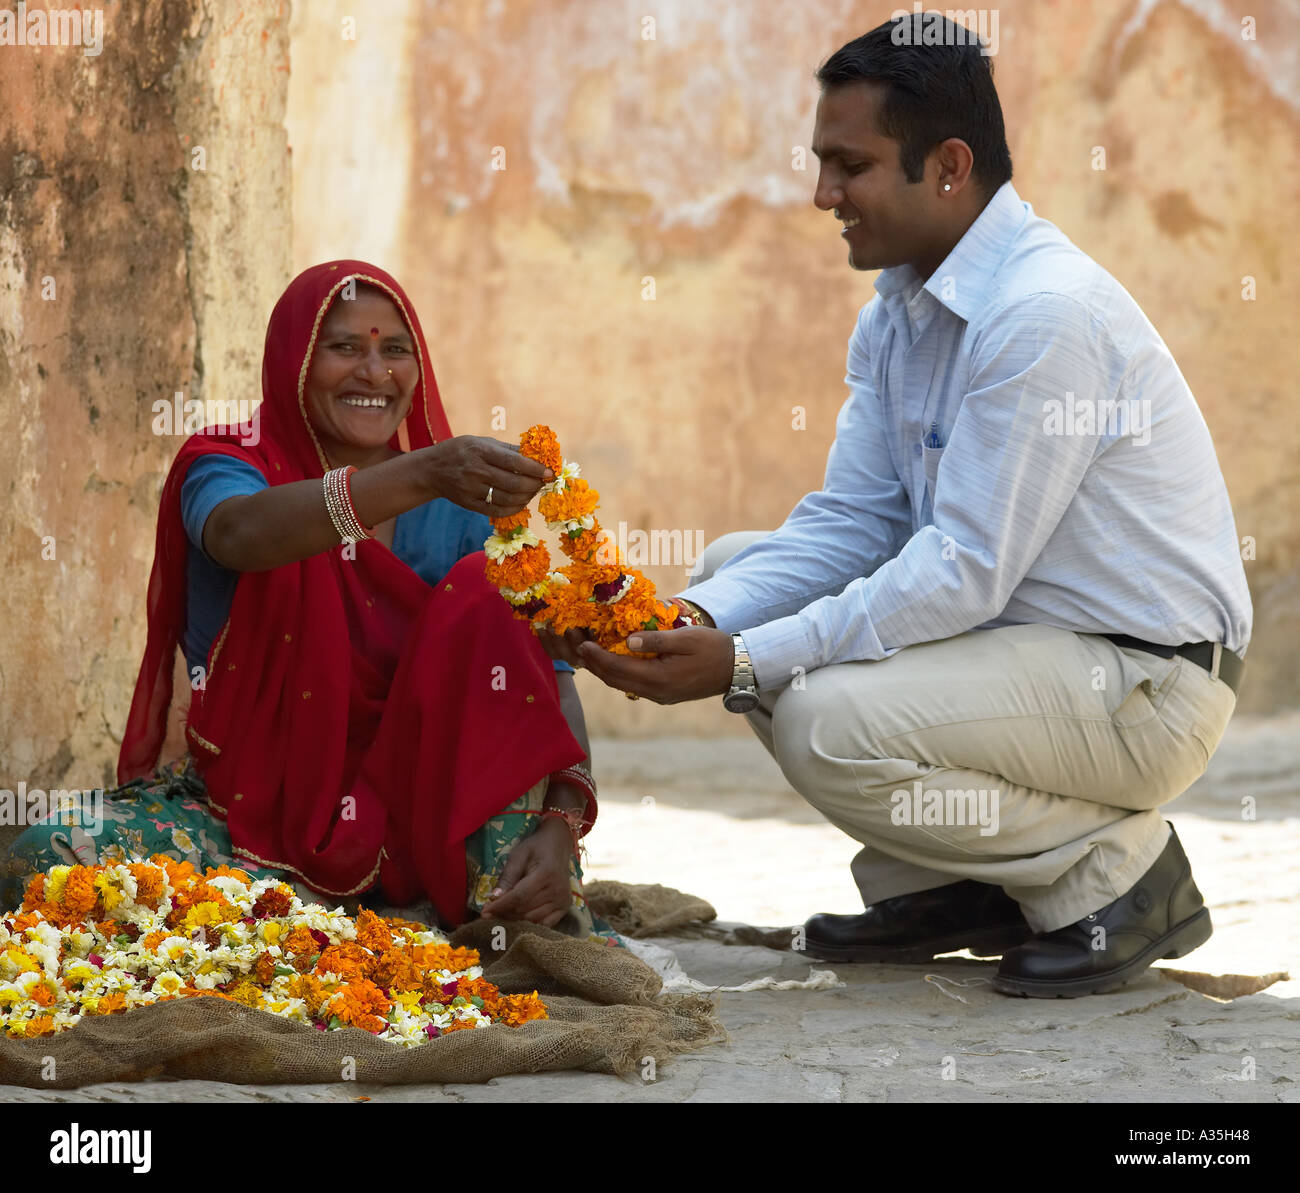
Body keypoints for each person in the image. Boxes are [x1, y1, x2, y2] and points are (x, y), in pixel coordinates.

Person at [550, 19, 1252, 996]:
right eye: (821, 163)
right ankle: (963, 881)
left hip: (1142, 687)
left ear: (949, 167)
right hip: (1028, 656)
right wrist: (695, 623)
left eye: (851, 165)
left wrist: (745, 661)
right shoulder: (899, 308)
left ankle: (1120, 876)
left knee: (823, 718)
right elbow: (856, 523)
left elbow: (962, 570)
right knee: (725, 575)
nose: (822, 194)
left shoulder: (1039, 313)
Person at [4, 260, 615, 941]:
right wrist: (424, 469)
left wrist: (562, 824)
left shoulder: (459, 508)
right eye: (345, 347)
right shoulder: (230, 465)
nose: (374, 373)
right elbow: (240, 534)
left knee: (536, 915)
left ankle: (371, 916)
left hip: (423, 813)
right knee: (49, 857)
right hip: (254, 816)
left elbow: (545, 690)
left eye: (395, 350)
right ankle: (350, 917)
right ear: (294, 358)